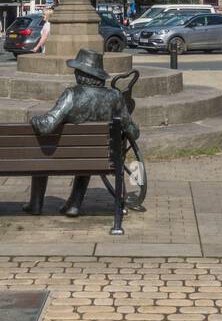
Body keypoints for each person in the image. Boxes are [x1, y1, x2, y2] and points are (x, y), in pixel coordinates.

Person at [25, 49, 138, 217]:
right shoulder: (115, 96)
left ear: (80, 73)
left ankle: (36, 204)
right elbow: (133, 132)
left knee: (43, 152)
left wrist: (34, 120)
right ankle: (74, 204)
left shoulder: (71, 95)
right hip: (101, 158)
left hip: (62, 158)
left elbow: (46, 126)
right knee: (88, 155)